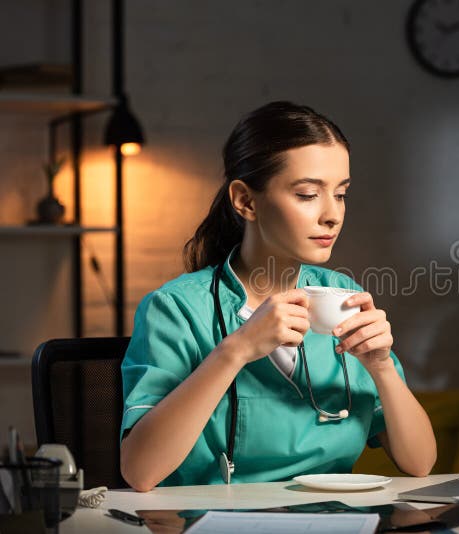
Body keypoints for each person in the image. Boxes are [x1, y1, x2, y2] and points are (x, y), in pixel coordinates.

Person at [119, 101, 436, 491]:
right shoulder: (177, 309)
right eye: (307, 194)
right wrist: (235, 350)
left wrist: (382, 367)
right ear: (245, 201)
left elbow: (419, 463)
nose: (332, 215)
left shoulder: (346, 298)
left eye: (340, 195)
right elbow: (140, 472)